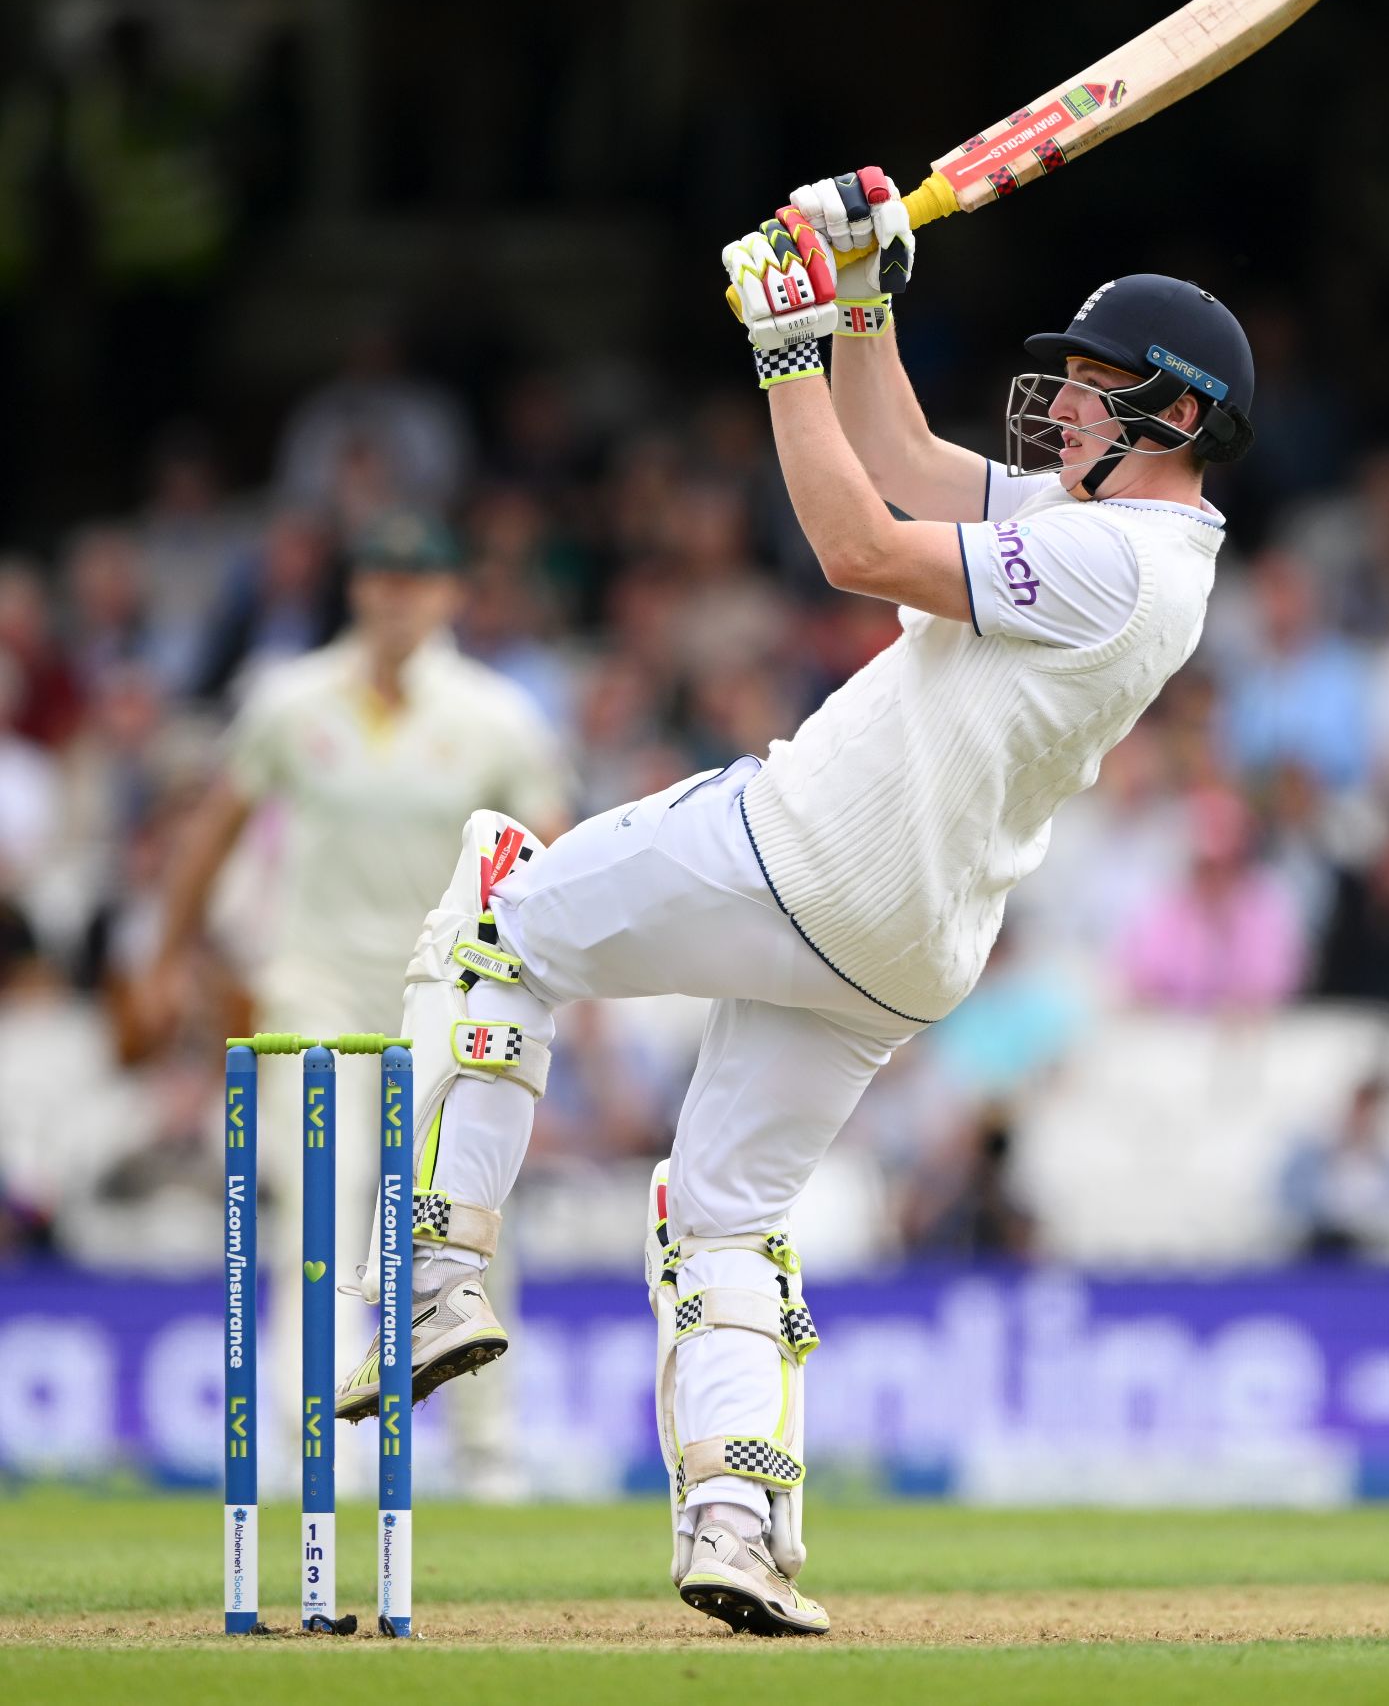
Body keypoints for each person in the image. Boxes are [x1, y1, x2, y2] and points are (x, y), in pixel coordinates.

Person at [335, 171, 1257, 1637]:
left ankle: (439, 1267)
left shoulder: (1116, 562)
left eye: (1096, 386)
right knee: (724, 1213)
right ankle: (740, 1526)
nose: (1065, 406)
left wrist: (783, 348)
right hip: (904, 947)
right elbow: (900, 457)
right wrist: (863, 294)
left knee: (497, 910)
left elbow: (856, 547)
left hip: (805, 848)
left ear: (1181, 412)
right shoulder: (1113, 535)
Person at [142, 510, 570, 1485]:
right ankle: (307, 1441)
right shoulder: (290, 700)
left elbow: (549, 848)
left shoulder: (497, 714)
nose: (397, 597)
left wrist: (561, 986)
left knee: (459, 1212)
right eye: (381, 577)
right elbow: (214, 830)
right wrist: (166, 956)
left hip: (451, 989)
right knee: (319, 1203)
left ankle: (487, 1451)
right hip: (317, 984)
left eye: (417, 580)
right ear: (356, 589)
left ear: (450, 593)